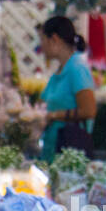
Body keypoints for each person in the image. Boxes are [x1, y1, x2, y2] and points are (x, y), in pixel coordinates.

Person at [39, 16, 97, 163]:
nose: (41, 46)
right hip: (53, 151)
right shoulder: (60, 71)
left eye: (43, 39)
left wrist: (54, 116)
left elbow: (89, 110)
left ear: (54, 39)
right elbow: (42, 103)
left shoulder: (77, 68)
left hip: (69, 152)